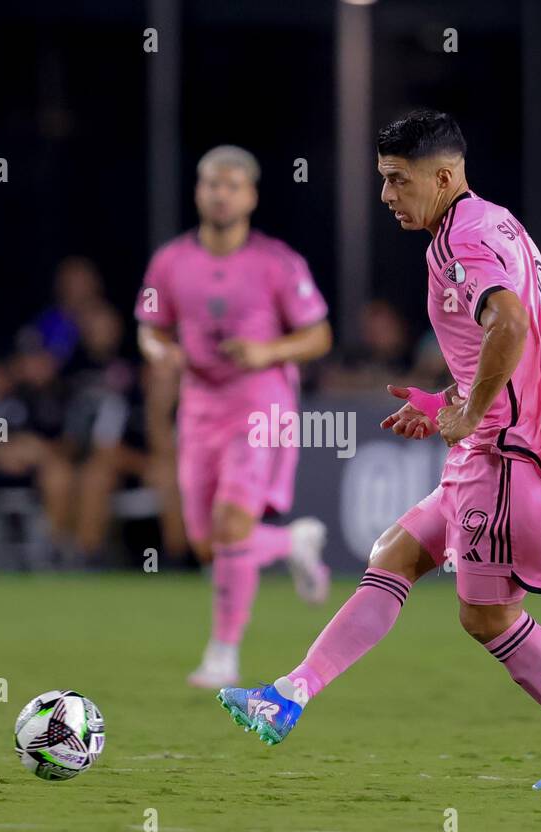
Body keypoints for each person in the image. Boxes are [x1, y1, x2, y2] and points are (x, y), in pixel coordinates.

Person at [216, 110, 541, 790]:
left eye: (397, 180)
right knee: (396, 553)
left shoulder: (460, 247)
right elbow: (499, 342)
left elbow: (512, 325)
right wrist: (449, 400)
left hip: (510, 455)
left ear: (442, 177)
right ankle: (289, 694)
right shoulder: (491, 221)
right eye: (382, 179)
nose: (387, 195)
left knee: (488, 617)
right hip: (502, 445)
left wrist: (471, 410)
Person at [135, 144, 334, 688]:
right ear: (199, 192)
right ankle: (291, 543)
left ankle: (223, 653)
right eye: (210, 184)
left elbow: (319, 335)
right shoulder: (171, 261)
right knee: (206, 543)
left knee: (229, 526)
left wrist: (267, 351)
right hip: (200, 409)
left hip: (260, 404)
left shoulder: (277, 262)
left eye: (231, 185)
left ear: (249, 196)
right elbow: (150, 326)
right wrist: (161, 353)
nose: (219, 194)